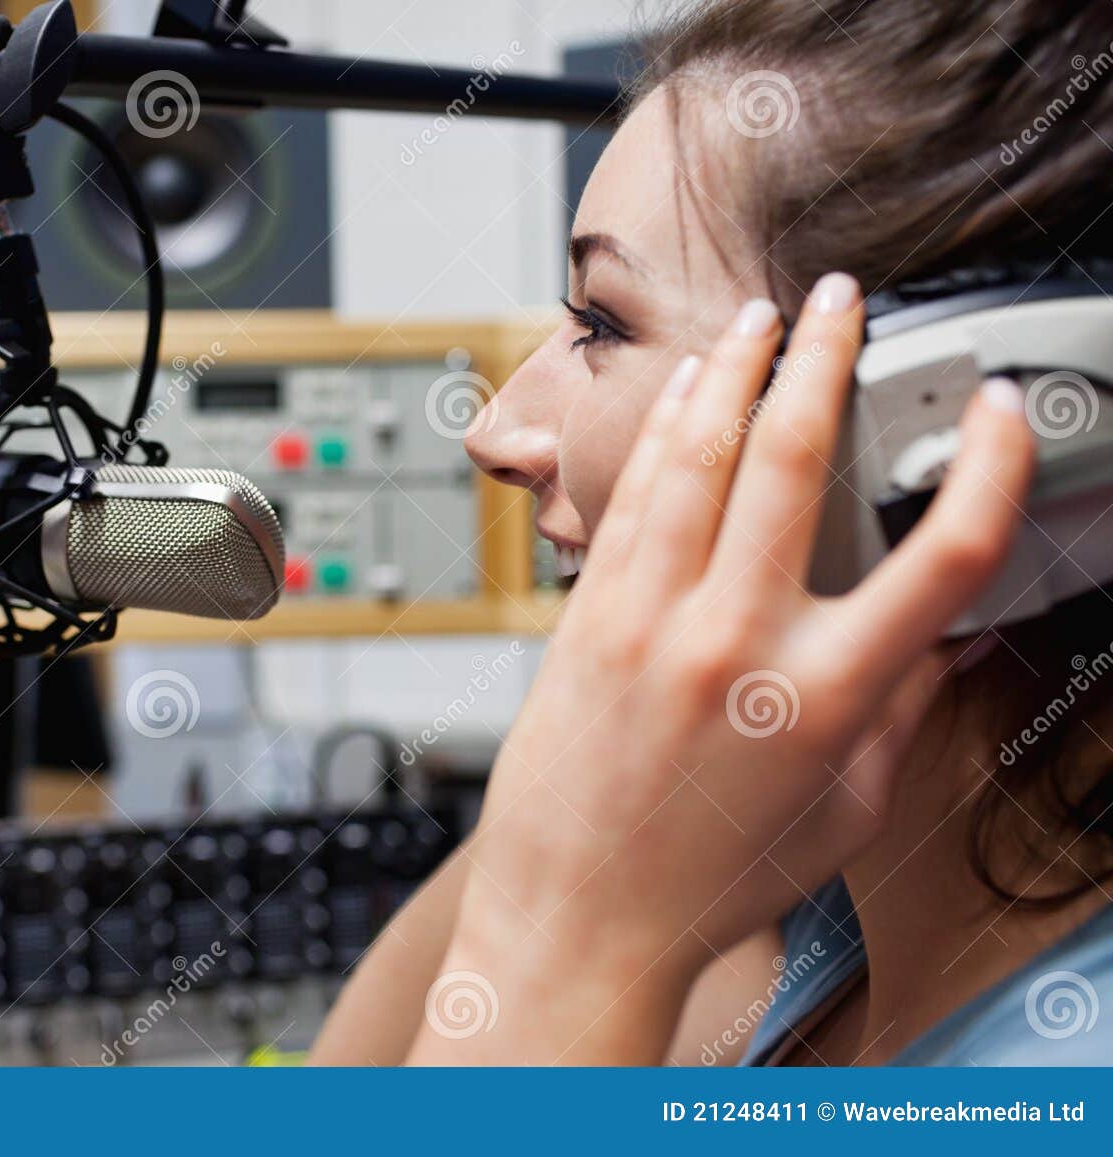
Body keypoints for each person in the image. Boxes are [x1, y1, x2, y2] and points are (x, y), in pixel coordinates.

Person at [310, 0, 1113, 1066]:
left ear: (931, 423)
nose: (495, 429)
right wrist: (571, 837)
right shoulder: (819, 912)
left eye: (601, 322)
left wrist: (571, 940)